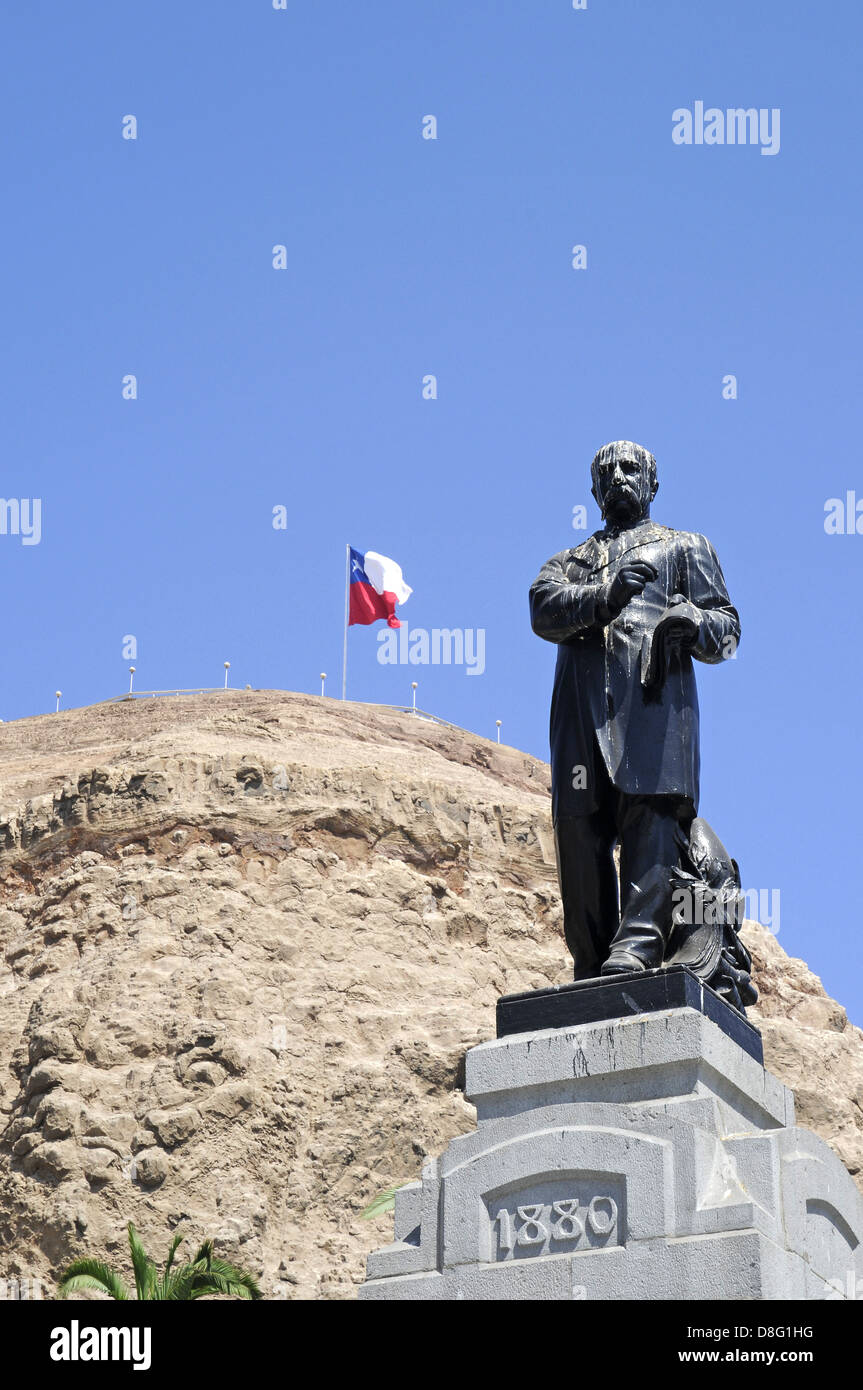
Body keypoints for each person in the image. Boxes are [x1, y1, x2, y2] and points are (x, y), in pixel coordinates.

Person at [529, 440, 740, 978]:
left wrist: (692, 620)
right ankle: (592, 961)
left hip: (654, 713)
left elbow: (728, 629)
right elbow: (542, 610)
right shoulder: (571, 562)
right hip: (580, 721)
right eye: (608, 472)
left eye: (632, 469)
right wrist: (605, 594)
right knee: (578, 834)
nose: (620, 477)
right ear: (594, 491)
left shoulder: (684, 547)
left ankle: (637, 948)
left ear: (652, 485)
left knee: (652, 822)